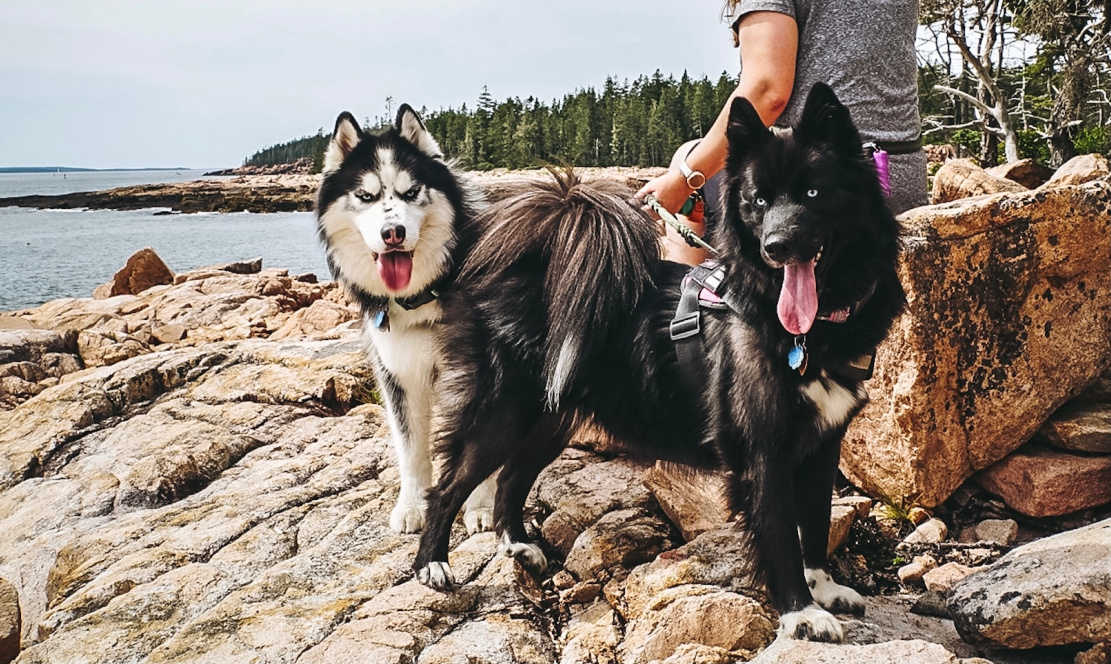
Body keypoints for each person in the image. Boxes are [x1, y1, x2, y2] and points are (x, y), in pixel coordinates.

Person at [637, 0, 927, 265]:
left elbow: (768, 91)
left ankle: (689, 302)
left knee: (688, 161)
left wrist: (684, 180)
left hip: (832, 179)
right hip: (900, 173)